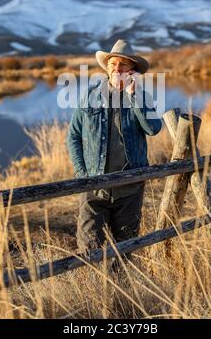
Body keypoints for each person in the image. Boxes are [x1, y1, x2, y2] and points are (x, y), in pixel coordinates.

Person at [66, 39, 162, 263]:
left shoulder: (142, 97)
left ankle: (124, 295)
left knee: (125, 252)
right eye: (113, 64)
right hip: (94, 190)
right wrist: (83, 176)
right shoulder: (90, 96)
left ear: (133, 71)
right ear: (107, 67)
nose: (117, 69)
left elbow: (153, 128)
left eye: (123, 65)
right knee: (90, 252)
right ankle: (96, 296)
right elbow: (74, 136)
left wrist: (134, 95)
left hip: (129, 190)